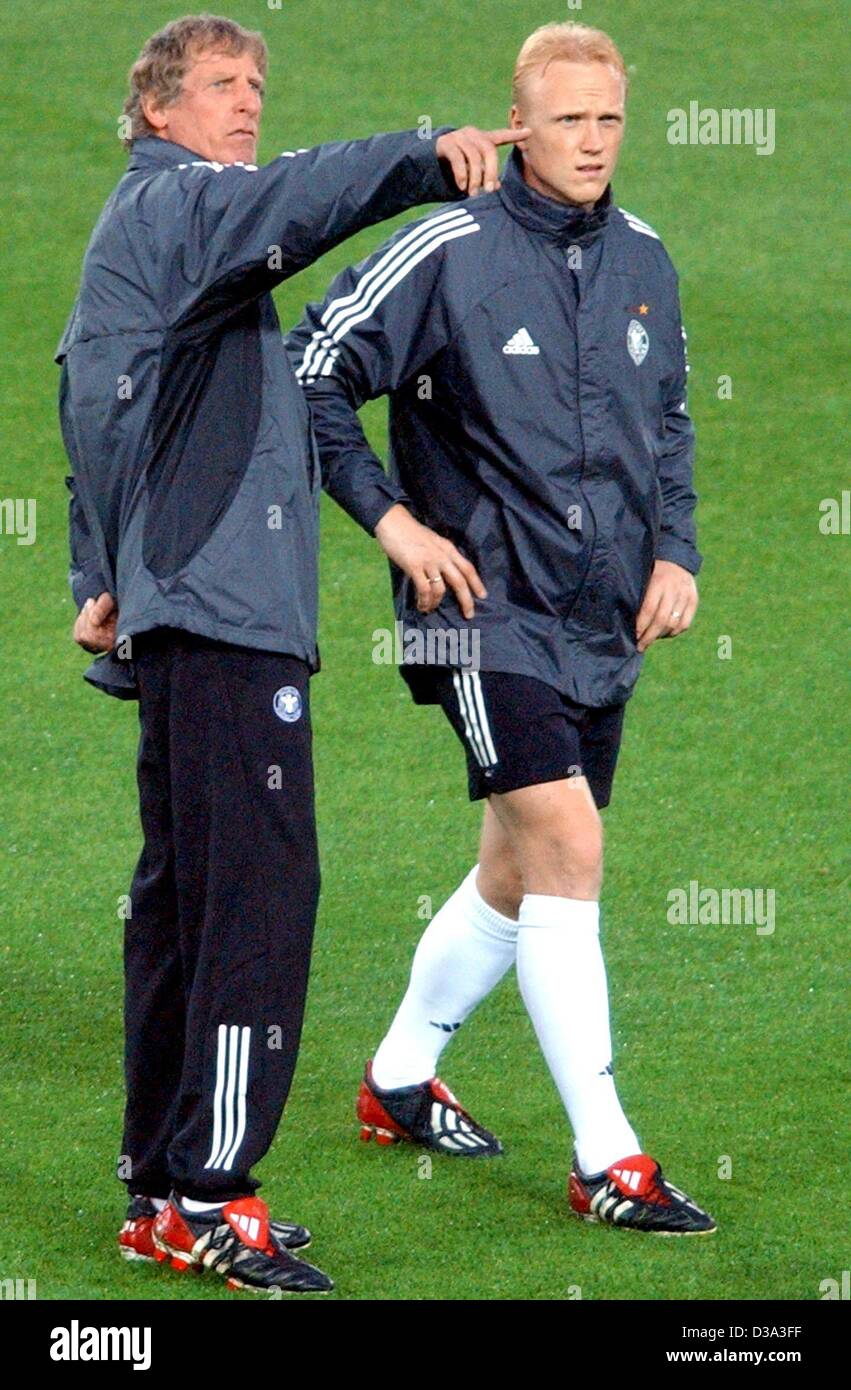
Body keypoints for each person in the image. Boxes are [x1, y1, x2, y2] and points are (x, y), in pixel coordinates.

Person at [58, 11, 527, 1295]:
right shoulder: (183, 207)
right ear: (159, 110)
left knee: (181, 908)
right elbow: (293, 200)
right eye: (220, 85)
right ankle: (217, 1192)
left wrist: (101, 574)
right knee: (259, 903)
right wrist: (425, 156)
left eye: (256, 84)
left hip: (183, 614)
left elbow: (85, 407)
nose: (247, 104)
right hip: (225, 616)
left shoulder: (136, 239)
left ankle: (160, 1192)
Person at [287, 21, 715, 1235]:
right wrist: (393, 525)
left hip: (597, 619)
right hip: (473, 614)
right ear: (517, 124)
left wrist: (674, 547)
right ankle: (607, 1159)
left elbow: (669, 419)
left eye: (609, 118)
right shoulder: (444, 246)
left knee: (518, 866)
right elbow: (309, 367)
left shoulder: (645, 257)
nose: (591, 142)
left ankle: (396, 1079)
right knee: (569, 844)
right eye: (567, 119)